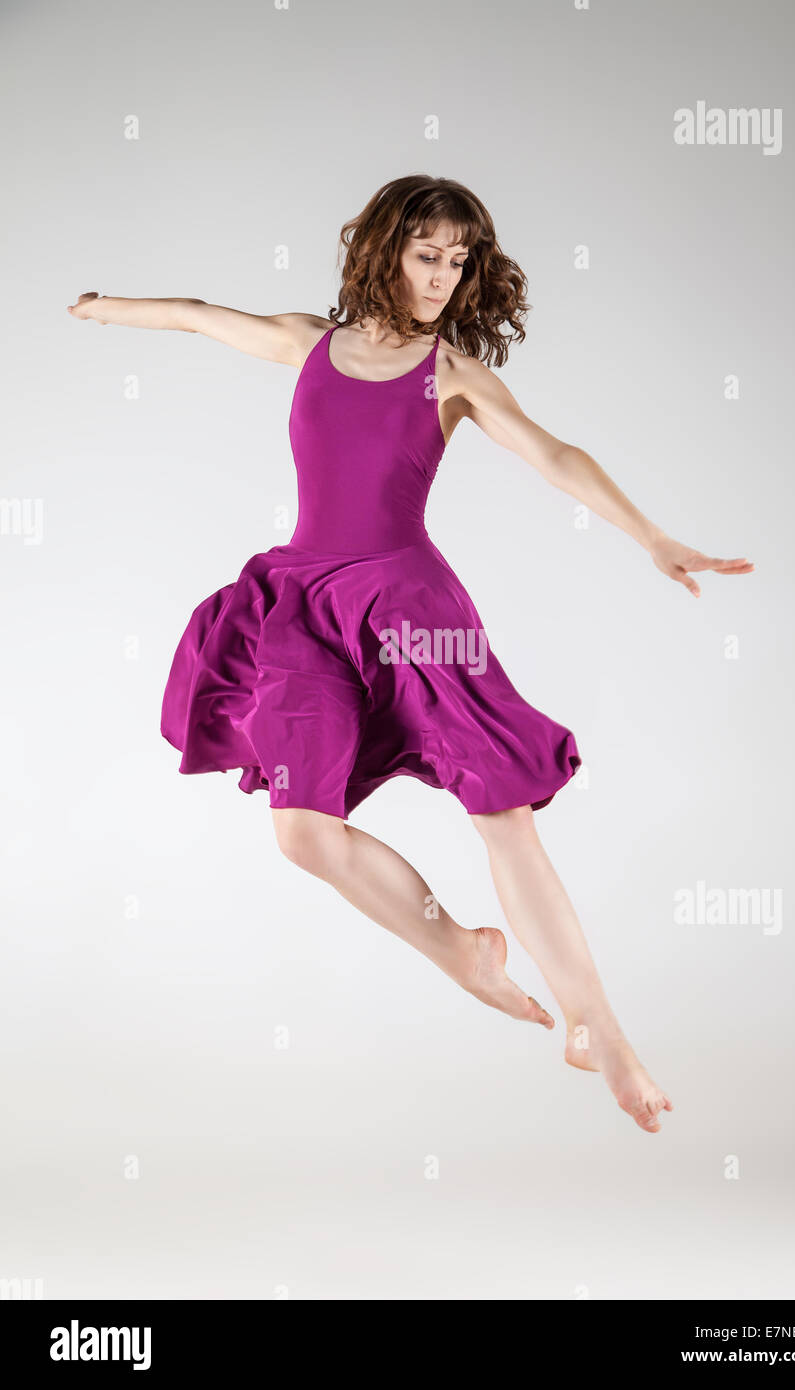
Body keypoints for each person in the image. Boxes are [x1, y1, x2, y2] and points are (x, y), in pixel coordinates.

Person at [67, 174, 754, 1133]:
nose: (442, 276)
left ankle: (600, 1026)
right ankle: (464, 953)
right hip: (304, 602)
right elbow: (194, 315)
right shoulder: (311, 344)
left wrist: (649, 536)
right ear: (386, 250)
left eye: (458, 261)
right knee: (304, 833)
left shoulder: (454, 374)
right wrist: (101, 309)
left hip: (408, 602)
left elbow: (554, 454)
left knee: (502, 813)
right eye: (427, 255)